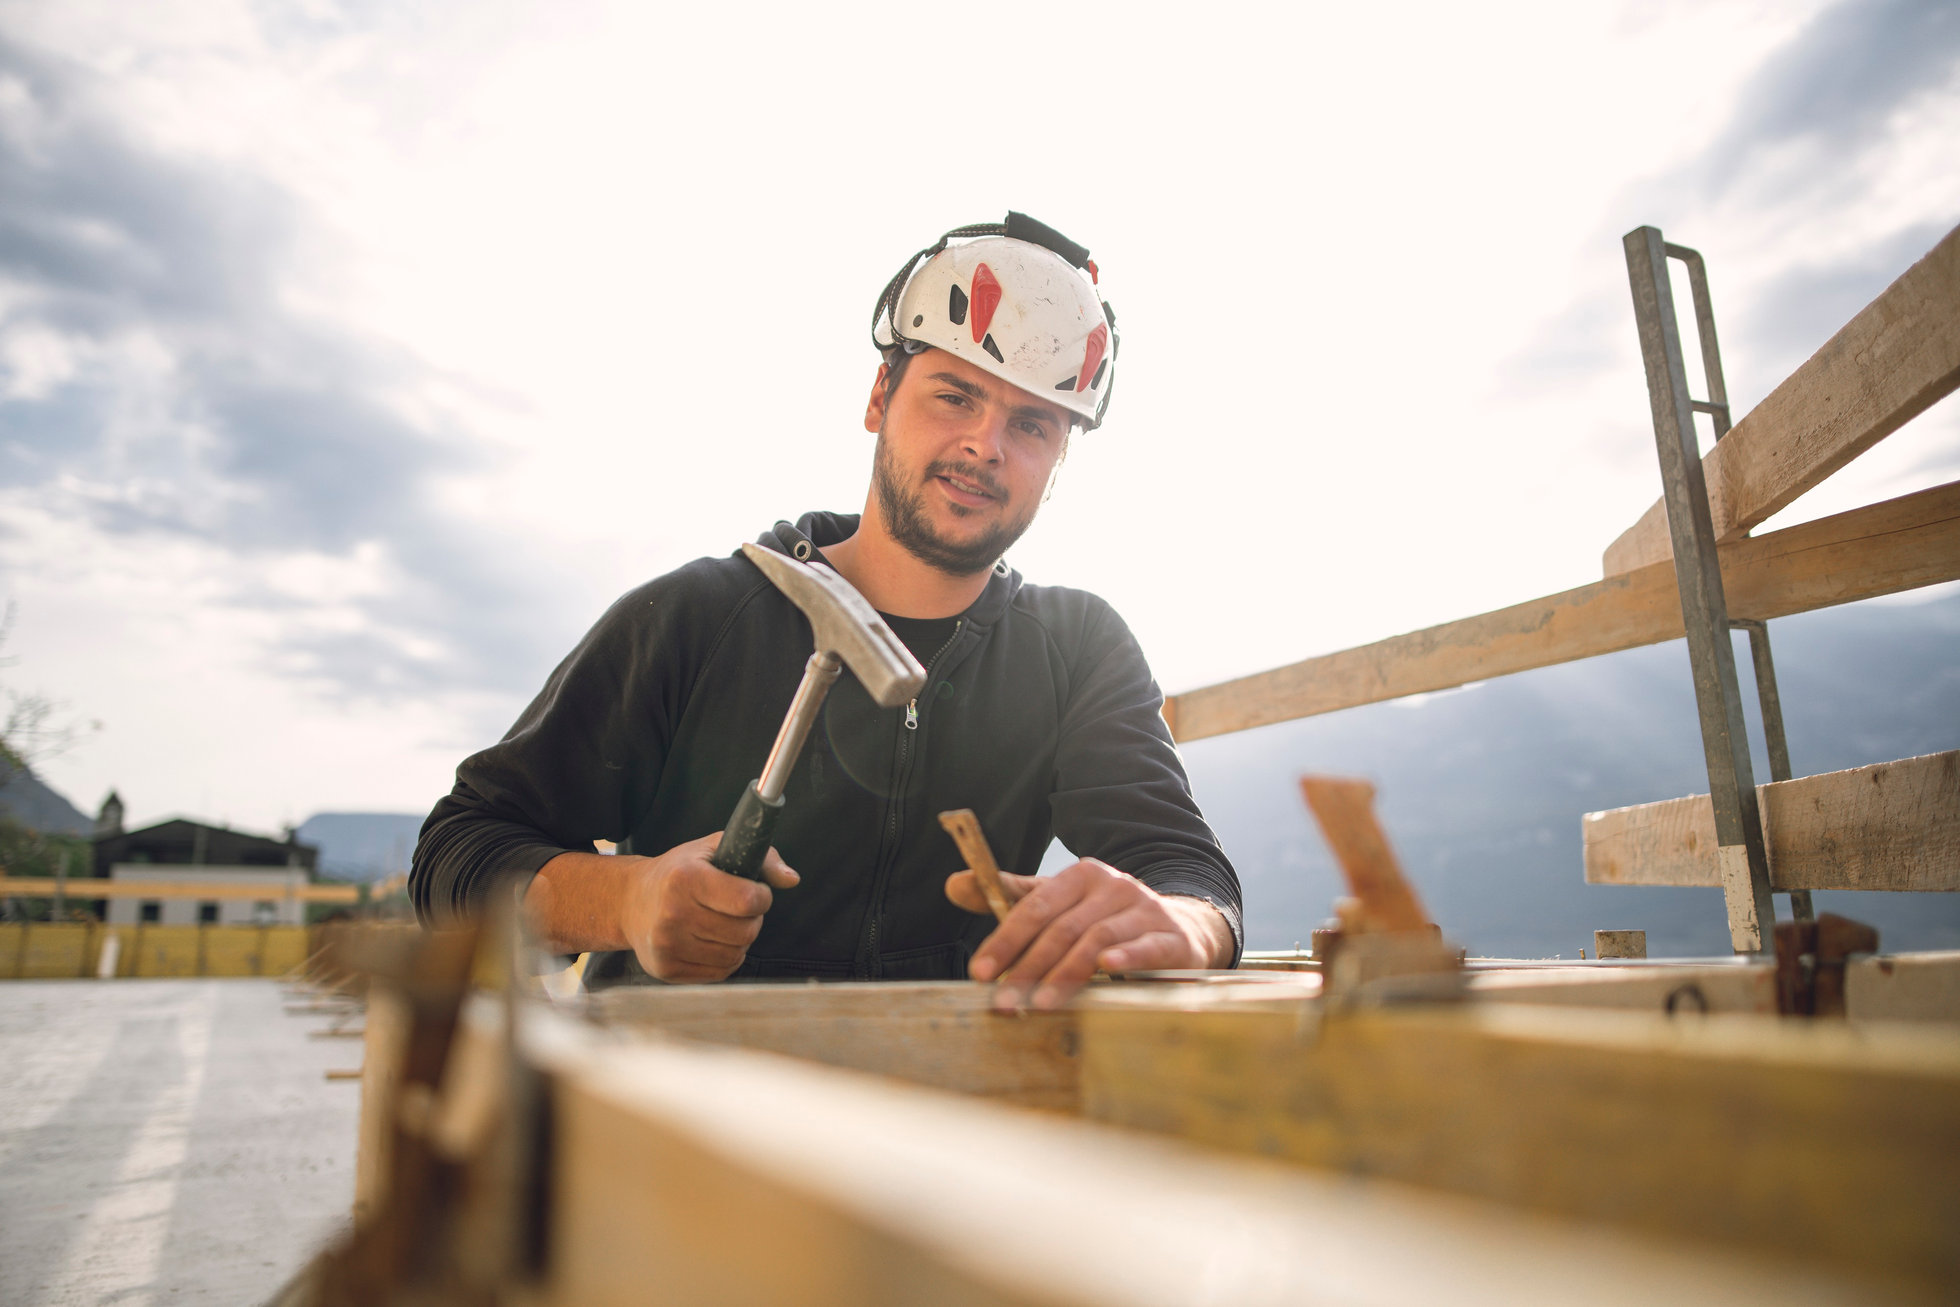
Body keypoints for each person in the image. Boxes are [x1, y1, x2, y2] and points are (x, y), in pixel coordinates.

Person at [410, 212, 1240, 1009]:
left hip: (941, 1115)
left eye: (1032, 425)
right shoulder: (698, 619)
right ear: (881, 394)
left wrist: (1185, 924)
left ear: (1058, 461)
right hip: (676, 1120)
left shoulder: (1075, 651)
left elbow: (1185, 868)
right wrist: (627, 899)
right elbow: (456, 856)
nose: (987, 445)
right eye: (955, 396)